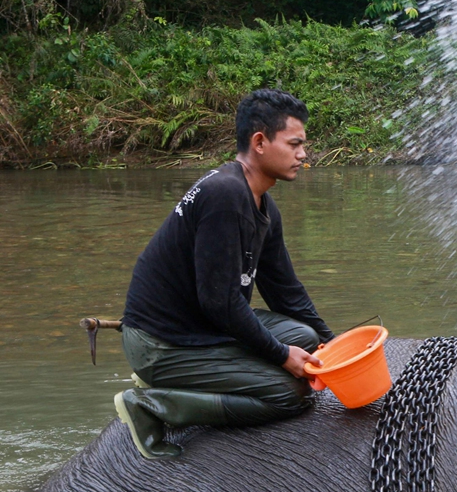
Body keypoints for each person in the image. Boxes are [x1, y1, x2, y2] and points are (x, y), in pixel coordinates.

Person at [114, 89, 335, 459]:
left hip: (200, 324)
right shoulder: (224, 194)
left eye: (303, 145)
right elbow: (220, 302)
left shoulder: (262, 204)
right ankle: (152, 404)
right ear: (260, 142)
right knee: (288, 394)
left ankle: (194, 379)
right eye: (295, 144)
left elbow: (285, 292)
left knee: (307, 337)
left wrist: (335, 344)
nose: (303, 155)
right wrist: (281, 356)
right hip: (162, 342)